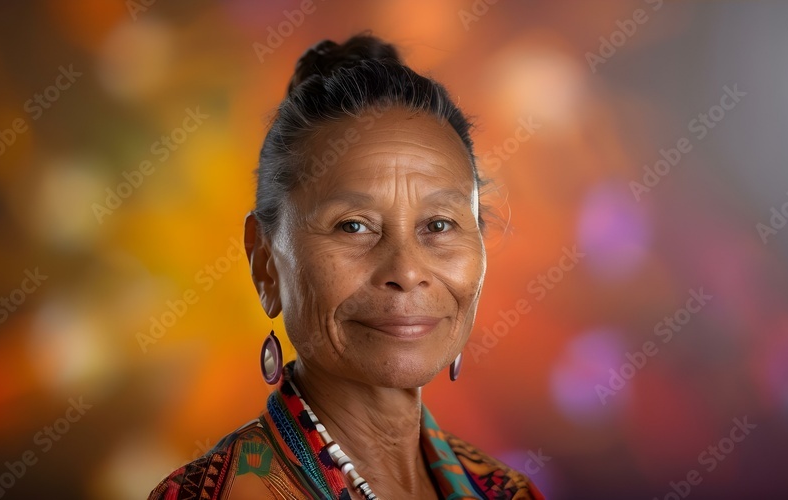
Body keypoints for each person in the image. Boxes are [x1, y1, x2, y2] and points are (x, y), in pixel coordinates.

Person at [148, 33, 545, 500]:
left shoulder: (507, 492)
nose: (406, 270)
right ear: (266, 263)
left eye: (439, 223)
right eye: (354, 226)